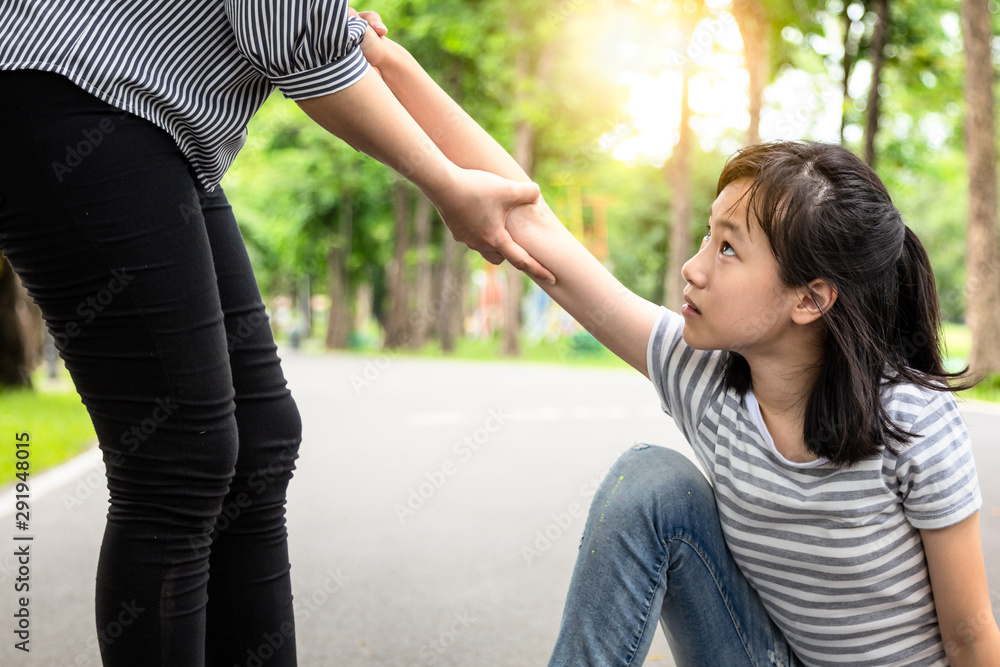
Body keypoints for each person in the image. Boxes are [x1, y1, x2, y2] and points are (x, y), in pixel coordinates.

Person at [354, 16, 1000, 666]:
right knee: (651, 482)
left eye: (727, 249)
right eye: (706, 236)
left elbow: (971, 635)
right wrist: (390, 66)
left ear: (810, 298)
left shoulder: (911, 422)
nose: (694, 268)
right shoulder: (703, 374)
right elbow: (530, 215)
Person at [0, 2, 553, 665]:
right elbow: (291, 38)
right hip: (67, 87)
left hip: (143, 115)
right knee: (177, 458)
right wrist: (445, 184)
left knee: (259, 440)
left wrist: (337, 29)